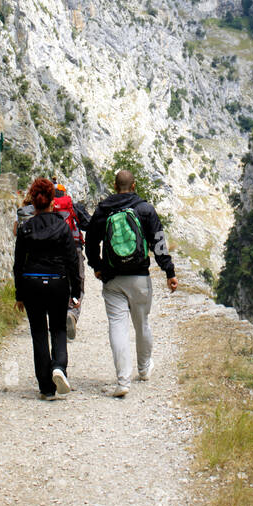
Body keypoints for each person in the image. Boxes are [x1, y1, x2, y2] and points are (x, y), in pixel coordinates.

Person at [85, 169, 177, 397]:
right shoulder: (144, 208)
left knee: (117, 327)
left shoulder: (104, 209)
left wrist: (97, 266)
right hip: (139, 277)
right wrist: (169, 271)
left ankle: (123, 381)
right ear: (133, 185)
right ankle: (144, 369)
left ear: (114, 186)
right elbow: (158, 241)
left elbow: (90, 242)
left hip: (113, 279)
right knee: (142, 323)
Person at [13, 176, 82, 400]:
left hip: (31, 282)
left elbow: (18, 264)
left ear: (33, 201)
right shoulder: (62, 227)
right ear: (53, 201)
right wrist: (75, 291)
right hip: (57, 282)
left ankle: (46, 387)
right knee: (59, 329)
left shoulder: (25, 228)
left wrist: (19, 294)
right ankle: (59, 367)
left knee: (39, 333)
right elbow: (72, 261)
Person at [52, 184, 86, 340]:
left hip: (53, 252)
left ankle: (58, 318)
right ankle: (72, 313)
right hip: (74, 249)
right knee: (77, 283)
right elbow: (88, 223)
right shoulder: (73, 206)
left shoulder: (48, 207)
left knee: (57, 283)